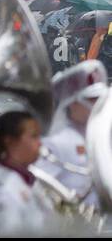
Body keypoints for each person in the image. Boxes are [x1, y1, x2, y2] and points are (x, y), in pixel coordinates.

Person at [36, 61, 107, 209]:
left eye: (100, 99)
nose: (98, 104)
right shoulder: (54, 144)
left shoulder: (104, 138)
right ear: (72, 103)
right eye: (91, 99)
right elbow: (40, 194)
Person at [0, 109, 50, 234]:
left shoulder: (27, 180)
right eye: (34, 136)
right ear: (9, 140)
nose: (40, 143)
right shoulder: (1, 189)